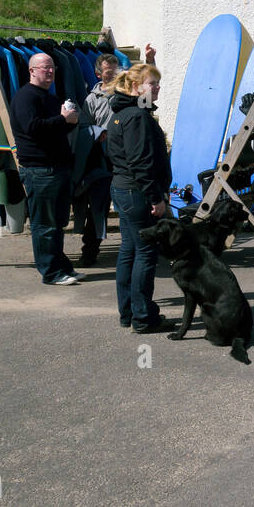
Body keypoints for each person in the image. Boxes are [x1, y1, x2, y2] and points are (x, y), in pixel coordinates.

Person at [77, 44, 158, 266]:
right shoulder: (92, 99)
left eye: (116, 70)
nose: (114, 74)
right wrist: (98, 132)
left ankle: (143, 249)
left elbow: (147, 99)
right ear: (98, 74)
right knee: (98, 209)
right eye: (109, 72)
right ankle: (89, 252)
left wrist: (149, 62)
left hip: (128, 161)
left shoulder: (125, 95)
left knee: (136, 207)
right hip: (103, 163)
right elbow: (83, 127)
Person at [106, 63, 173, 333]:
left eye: (157, 83)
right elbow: (140, 163)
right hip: (137, 193)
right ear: (136, 87)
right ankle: (143, 317)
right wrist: (156, 198)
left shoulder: (125, 112)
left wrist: (149, 60)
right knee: (145, 254)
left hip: (125, 190)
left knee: (130, 251)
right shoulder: (136, 117)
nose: (156, 88)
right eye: (151, 83)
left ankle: (129, 313)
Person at [9, 52, 80, 286]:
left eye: (52, 68)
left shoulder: (50, 97)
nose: (49, 72)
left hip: (57, 169)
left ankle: (60, 266)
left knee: (57, 223)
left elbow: (57, 130)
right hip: (40, 171)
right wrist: (63, 120)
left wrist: (71, 121)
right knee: (44, 224)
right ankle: (51, 272)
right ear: (31, 71)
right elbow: (33, 128)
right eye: (44, 68)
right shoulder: (25, 97)